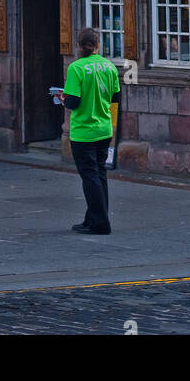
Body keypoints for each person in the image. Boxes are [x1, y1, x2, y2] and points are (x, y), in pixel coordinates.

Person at [60, 28, 120, 235]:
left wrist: (63, 98)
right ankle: (92, 218)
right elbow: (115, 98)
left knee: (89, 177)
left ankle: (101, 222)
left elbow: (73, 102)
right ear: (97, 46)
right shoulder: (109, 66)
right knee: (100, 174)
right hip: (104, 128)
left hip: (84, 130)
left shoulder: (75, 68)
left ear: (78, 46)